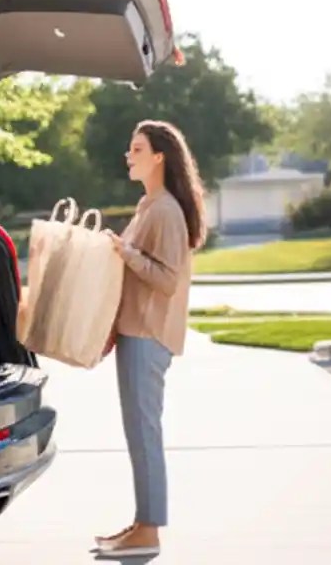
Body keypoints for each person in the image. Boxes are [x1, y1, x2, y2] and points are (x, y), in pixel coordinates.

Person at [94, 119, 207, 558]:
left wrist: (127, 253)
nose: (129, 154)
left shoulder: (165, 211)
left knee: (144, 434)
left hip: (148, 337)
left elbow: (166, 279)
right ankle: (142, 523)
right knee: (138, 433)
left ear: (159, 156)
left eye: (137, 148)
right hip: (133, 333)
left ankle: (149, 530)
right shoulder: (149, 205)